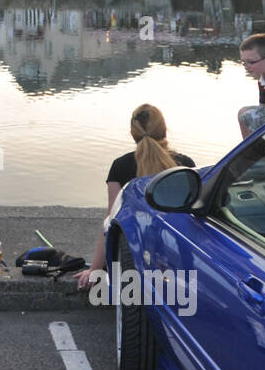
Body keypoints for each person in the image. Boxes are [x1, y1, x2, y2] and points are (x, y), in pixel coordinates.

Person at [76, 104, 194, 288]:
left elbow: (110, 220)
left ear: (133, 133)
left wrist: (95, 269)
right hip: (175, 258)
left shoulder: (120, 166)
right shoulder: (185, 164)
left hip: (135, 259)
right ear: (164, 130)